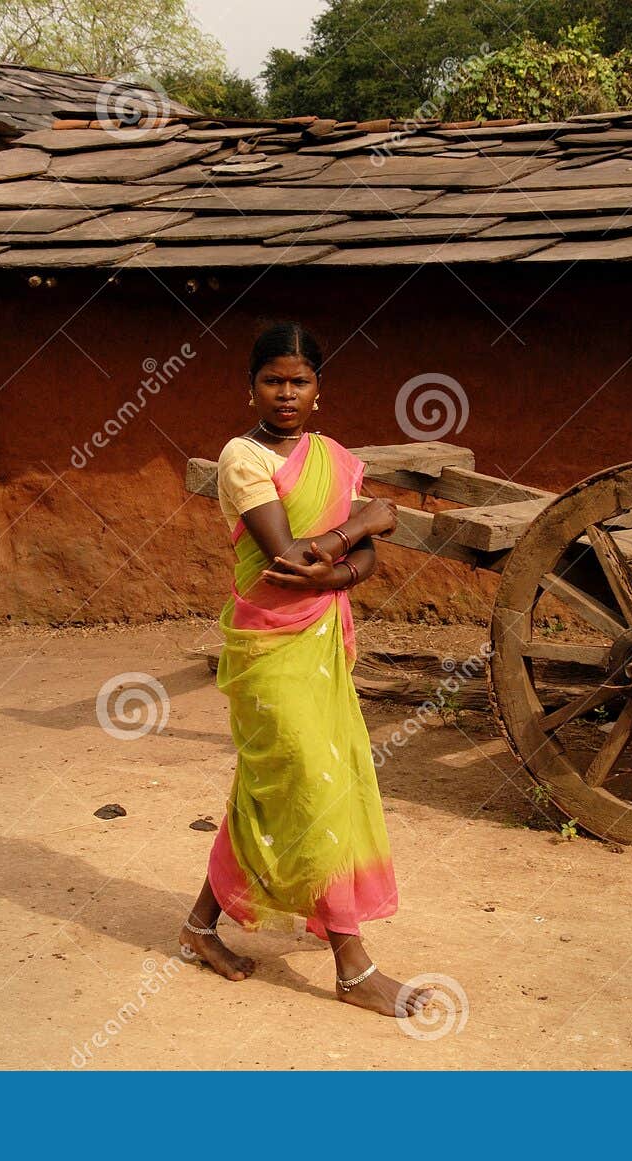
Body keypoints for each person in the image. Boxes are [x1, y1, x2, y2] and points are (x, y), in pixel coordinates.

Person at [178, 322, 436, 1018]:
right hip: (267, 648)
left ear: (319, 392)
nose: (285, 393)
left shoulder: (336, 457)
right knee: (311, 780)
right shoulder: (244, 459)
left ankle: (200, 925)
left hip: (321, 641)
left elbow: (356, 567)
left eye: (299, 381)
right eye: (272, 380)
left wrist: (347, 560)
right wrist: (361, 528)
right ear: (251, 387)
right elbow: (288, 561)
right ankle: (352, 965)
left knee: (276, 779)